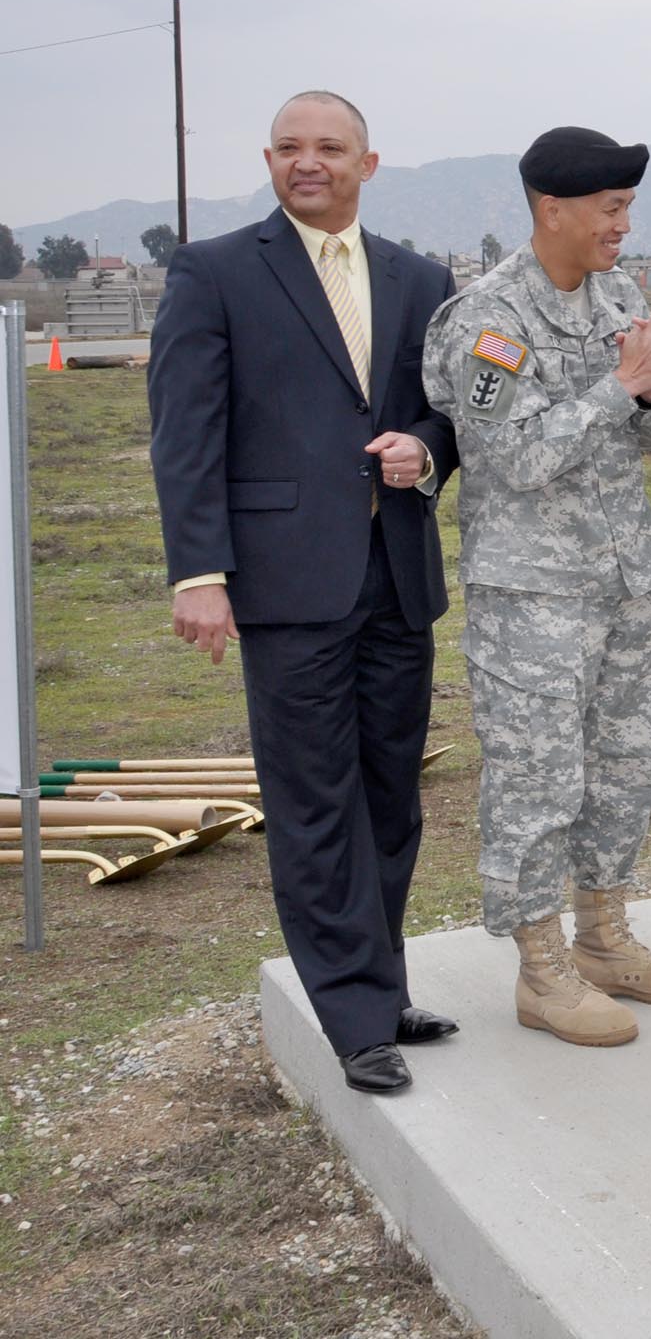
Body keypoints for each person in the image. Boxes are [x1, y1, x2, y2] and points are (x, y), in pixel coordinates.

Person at [148, 90, 459, 1095]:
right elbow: (185, 432)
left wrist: (428, 448)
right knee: (313, 799)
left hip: (396, 577)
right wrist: (200, 572)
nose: (307, 162)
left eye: (329, 147)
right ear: (269, 162)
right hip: (285, 582)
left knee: (388, 795)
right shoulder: (216, 271)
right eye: (289, 148)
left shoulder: (420, 278)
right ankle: (355, 1012)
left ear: (370, 164)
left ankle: (379, 977)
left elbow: (443, 411)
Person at [422, 126, 651, 1048]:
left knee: (628, 769)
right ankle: (541, 969)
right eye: (611, 209)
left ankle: (604, 937)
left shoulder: (616, 295)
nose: (624, 227)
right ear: (554, 210)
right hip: (531, 598)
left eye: (627, 207)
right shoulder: (487, 321)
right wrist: (623, 387)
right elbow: (513, 457)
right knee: (538, 782)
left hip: (623, 578)